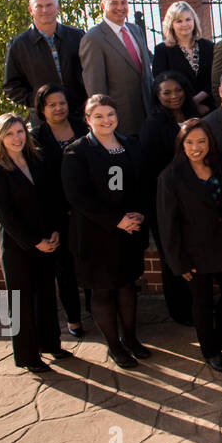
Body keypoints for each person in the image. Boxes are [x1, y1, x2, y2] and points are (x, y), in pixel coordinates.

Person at [61, 95, 149, 369]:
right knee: (103, 292)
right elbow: (78, 197)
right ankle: (114, 346)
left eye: (110, 114)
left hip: (128, 234)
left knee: (127, 286)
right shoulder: (76, 152)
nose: (105, 120)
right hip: (95, 236)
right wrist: (115, 220)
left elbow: (143, 183)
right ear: (87, 120)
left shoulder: (130, 145)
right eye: (98, 116)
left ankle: (131, 339)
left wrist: (139, 213)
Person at [156, 119, 222, 372]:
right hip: (194, 253)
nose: (196, 148)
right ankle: (210, 350)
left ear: (210, 142)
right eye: (190, 142)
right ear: (181, 144)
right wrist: (178, 261)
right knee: (202, 303)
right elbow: (167, 224)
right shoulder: (171, 177)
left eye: (201, 141)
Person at [0, 113, 71, 373]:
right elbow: (6, 216)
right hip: (19, 247)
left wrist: (55, 230)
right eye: (9, 134)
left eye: (20, 132)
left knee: (45, 295)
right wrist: (35, 242)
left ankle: (50, 344)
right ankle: (27, 355)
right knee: (21, 301)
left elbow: (52, 199)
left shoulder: (36, 159)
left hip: (47, 240)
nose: (16, 138)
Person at [138, 70, 196, 325]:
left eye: (178, 90)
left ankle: (196, 304)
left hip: (192, 199)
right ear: (157, 95)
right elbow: (150, 167)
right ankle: (180, 311)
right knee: (172, 255)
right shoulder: (153, 123)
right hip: (164, 201)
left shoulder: (193, 115)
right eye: (167, 92)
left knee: (190, 252)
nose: (174, 96)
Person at [30, 84, 87, 338]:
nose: (58, 108)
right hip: (56, 214)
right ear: (42, 109)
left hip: (87, 210)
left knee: (90, 261)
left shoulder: (83, 126)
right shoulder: (35, 138)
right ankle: (73, 319)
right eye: (51, 104)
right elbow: (37, 181)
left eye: (61, 103)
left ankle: (96, 309)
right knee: (64, 269)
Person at [3, 0, 86, 128]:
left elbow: (89, 72)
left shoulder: (77, 36)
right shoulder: (19, 44)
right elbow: (11, 86)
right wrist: (40, 103)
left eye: (49, 5)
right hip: (43, 120)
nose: (44, 10)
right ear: (31, 10)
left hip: (79, 115)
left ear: (57, 7)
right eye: (39, 6)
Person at [79, 0, 153, 136]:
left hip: (147, 110)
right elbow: (95, 87)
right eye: (114, 3)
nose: (120, 8)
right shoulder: (94, 38)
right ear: (102, 6)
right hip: (120, 118)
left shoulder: (135, 29)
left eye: (123, 3)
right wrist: (104, 120)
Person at [151, 1, 214, 117]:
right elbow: (161, 84)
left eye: (188, 19)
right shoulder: (162, 50)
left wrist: (199, 99)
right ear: (171, 24)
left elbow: (216, 78)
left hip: (209, 108)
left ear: (194, 21)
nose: (185, 24)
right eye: (179, 21)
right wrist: (190, 104)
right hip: (177, 111)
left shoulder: (208, 46)